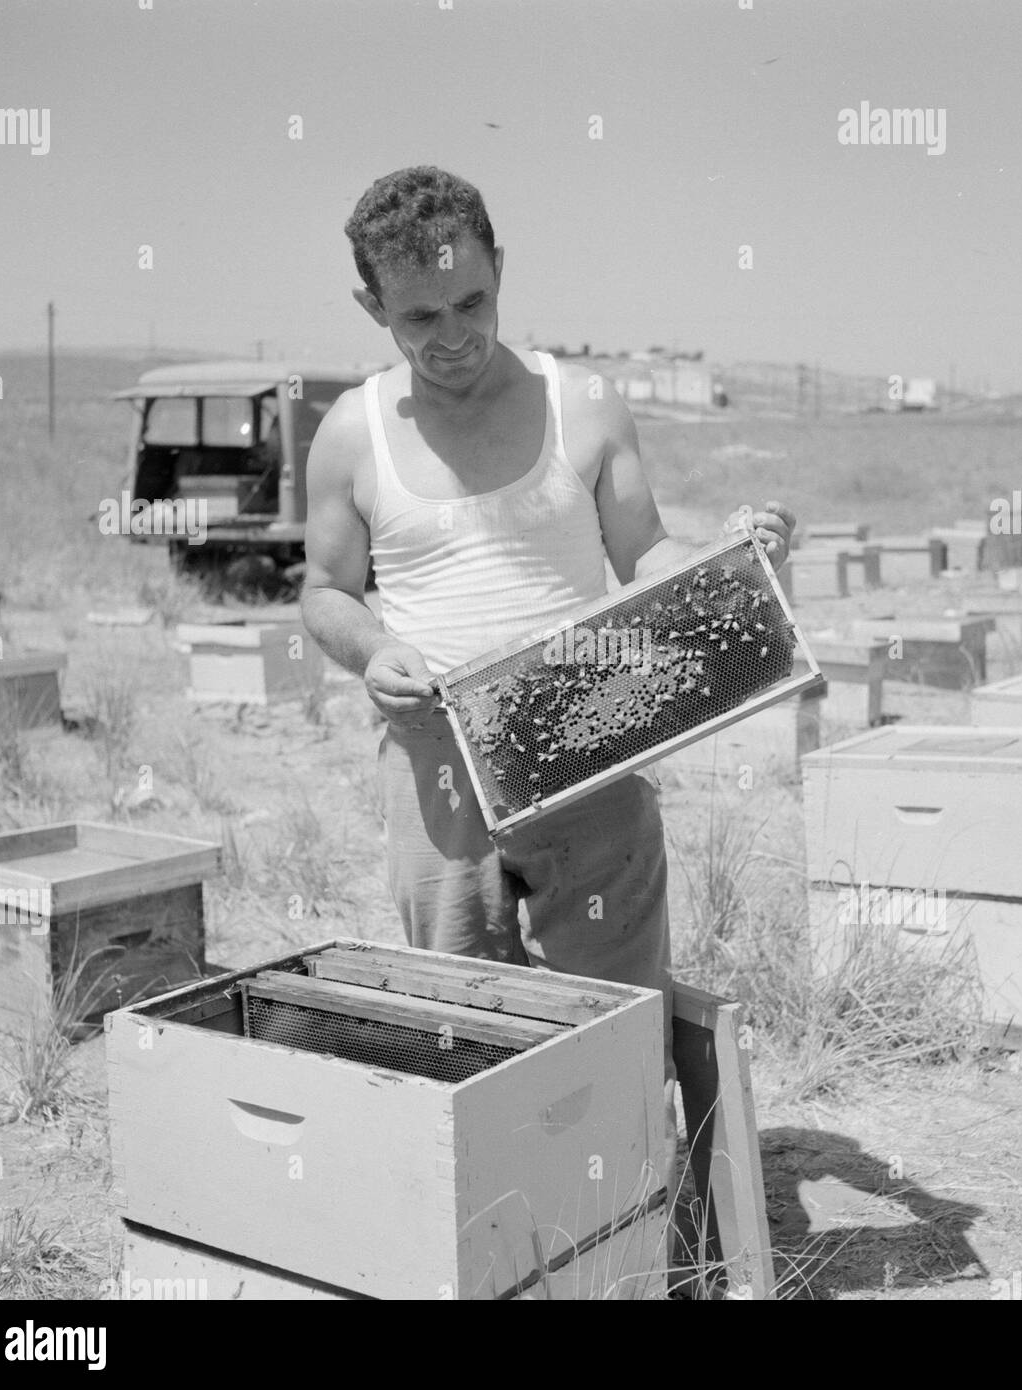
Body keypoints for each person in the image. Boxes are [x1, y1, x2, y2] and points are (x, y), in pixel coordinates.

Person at [300, 165, 795, 1235]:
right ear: (371, 307)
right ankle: (499, 1241)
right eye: (419, 315)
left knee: (614, 1028)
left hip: (593, 766)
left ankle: (616, 1236)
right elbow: (326, 591)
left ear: (501, 273)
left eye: (472, 302)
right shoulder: (352, 434)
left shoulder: (585, 403)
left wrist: (726, 559)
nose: (453, 335)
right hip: (439, 777)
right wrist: (373, 649)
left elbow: (644, 548)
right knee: (460, 1032)